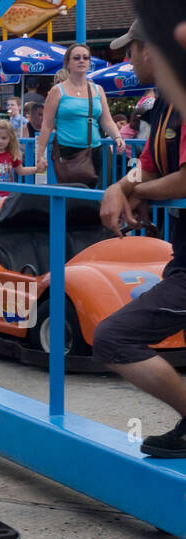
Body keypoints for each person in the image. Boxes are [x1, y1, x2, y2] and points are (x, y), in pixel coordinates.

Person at [94, 18, 186, 458]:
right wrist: (123, 187)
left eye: (130, 51)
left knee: (114, 337)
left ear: (152, 49)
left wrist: (131, 191)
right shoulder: (165, 103)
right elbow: (148, 169)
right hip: (183, 253)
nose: (126, 61)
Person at [36, 43, 128, 187]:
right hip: (68, 152)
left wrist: (117, 137)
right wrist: (40, 155)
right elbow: (47, 125)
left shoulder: (98, 90)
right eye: (77, 58)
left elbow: (106, 120)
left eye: (86, 58)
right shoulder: (57, 91)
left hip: (96, 150)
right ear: (68, 63)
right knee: (74, 199)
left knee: (100, 197)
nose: (82, 61)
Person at [0, 118, 38, 205]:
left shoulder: (11, 154)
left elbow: (21, 170)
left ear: (10, 139)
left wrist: (37, 169)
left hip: (8, 193)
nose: (0, 141)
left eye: (4, 138)